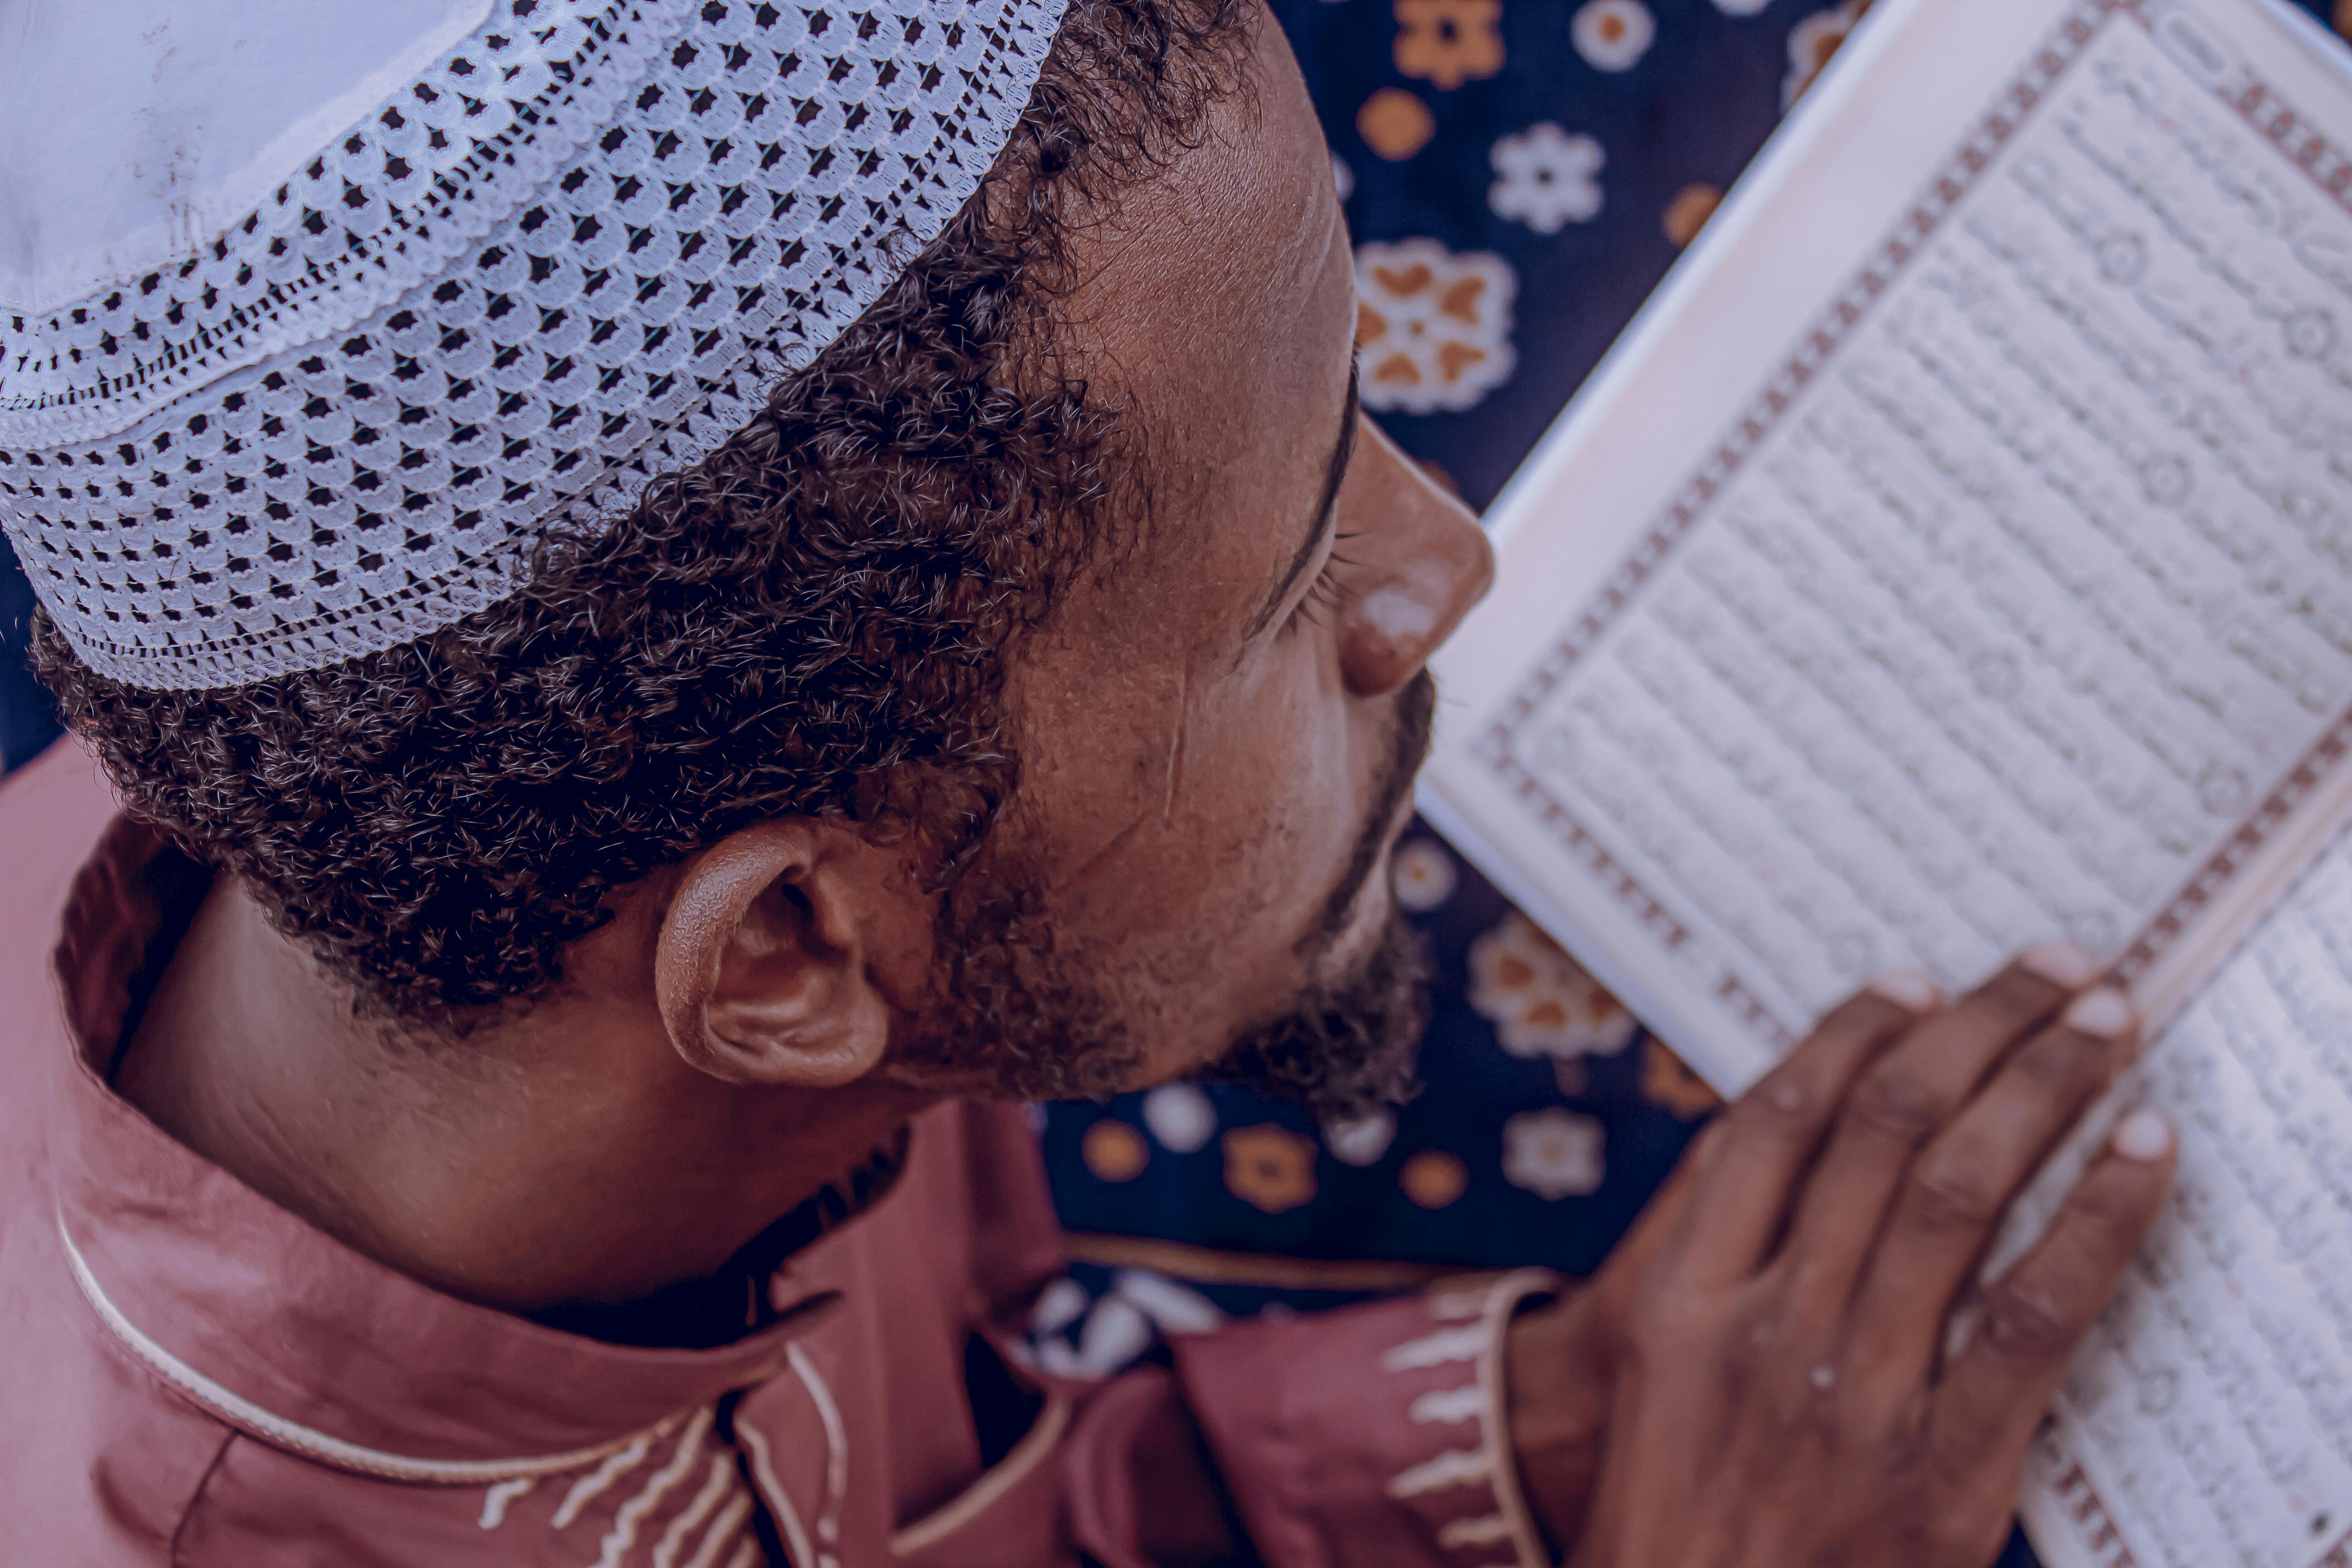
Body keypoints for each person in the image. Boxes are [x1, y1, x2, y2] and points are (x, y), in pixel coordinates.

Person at [0, 1, 2175, 1563]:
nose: (1444, 573)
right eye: (1292, 578)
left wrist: (1544, 1426)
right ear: (785, 958)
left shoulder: (491, 813)